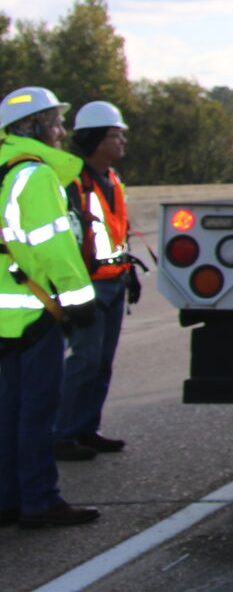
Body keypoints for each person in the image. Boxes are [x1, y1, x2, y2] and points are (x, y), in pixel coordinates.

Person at [0, 86, 101, 529]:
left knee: (7, 413)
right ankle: (40, 501)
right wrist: (80, 300)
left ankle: (7, 500)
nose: (62, 132)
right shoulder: (34, 176)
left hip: (5, 316)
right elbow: (55, 247)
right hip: (32, 315)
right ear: (35, 126)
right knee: (37, 412)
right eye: (55, 122)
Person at [54, 100, 135, 461]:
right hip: (87, 285)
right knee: (84, 360)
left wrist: (128, 271)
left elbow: (116, 230)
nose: (122, 142)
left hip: (114, 280)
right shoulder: (72, 182)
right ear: (95, 140)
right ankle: (62, 434)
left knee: (101, 362)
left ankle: (86, 429)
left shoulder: (113, 180)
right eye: (115, 136)